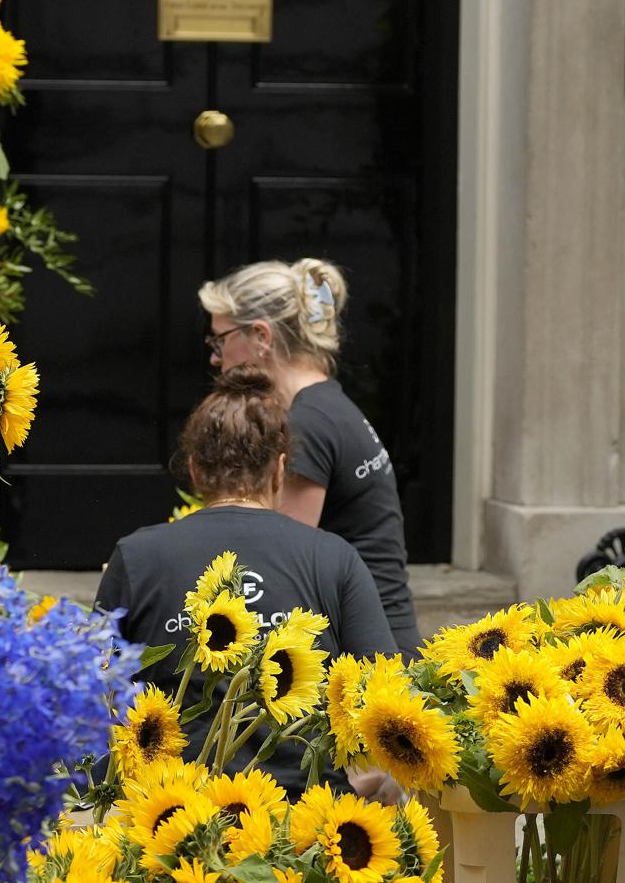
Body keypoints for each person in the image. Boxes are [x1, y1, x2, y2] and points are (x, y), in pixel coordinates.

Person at [95, 370, 397, 784]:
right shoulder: (335, 557)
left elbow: (93, 698)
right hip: (306, 822)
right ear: (279, 470)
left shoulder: (136, 557)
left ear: (195, 470)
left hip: (175, 816)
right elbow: (384, 695)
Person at [200, 258, 419, 653]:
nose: (216, 357)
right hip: (379, 632)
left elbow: (282, 565)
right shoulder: (325, 405)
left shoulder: (308, 423)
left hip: (365, 651)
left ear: (261, 336)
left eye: (220, 340)